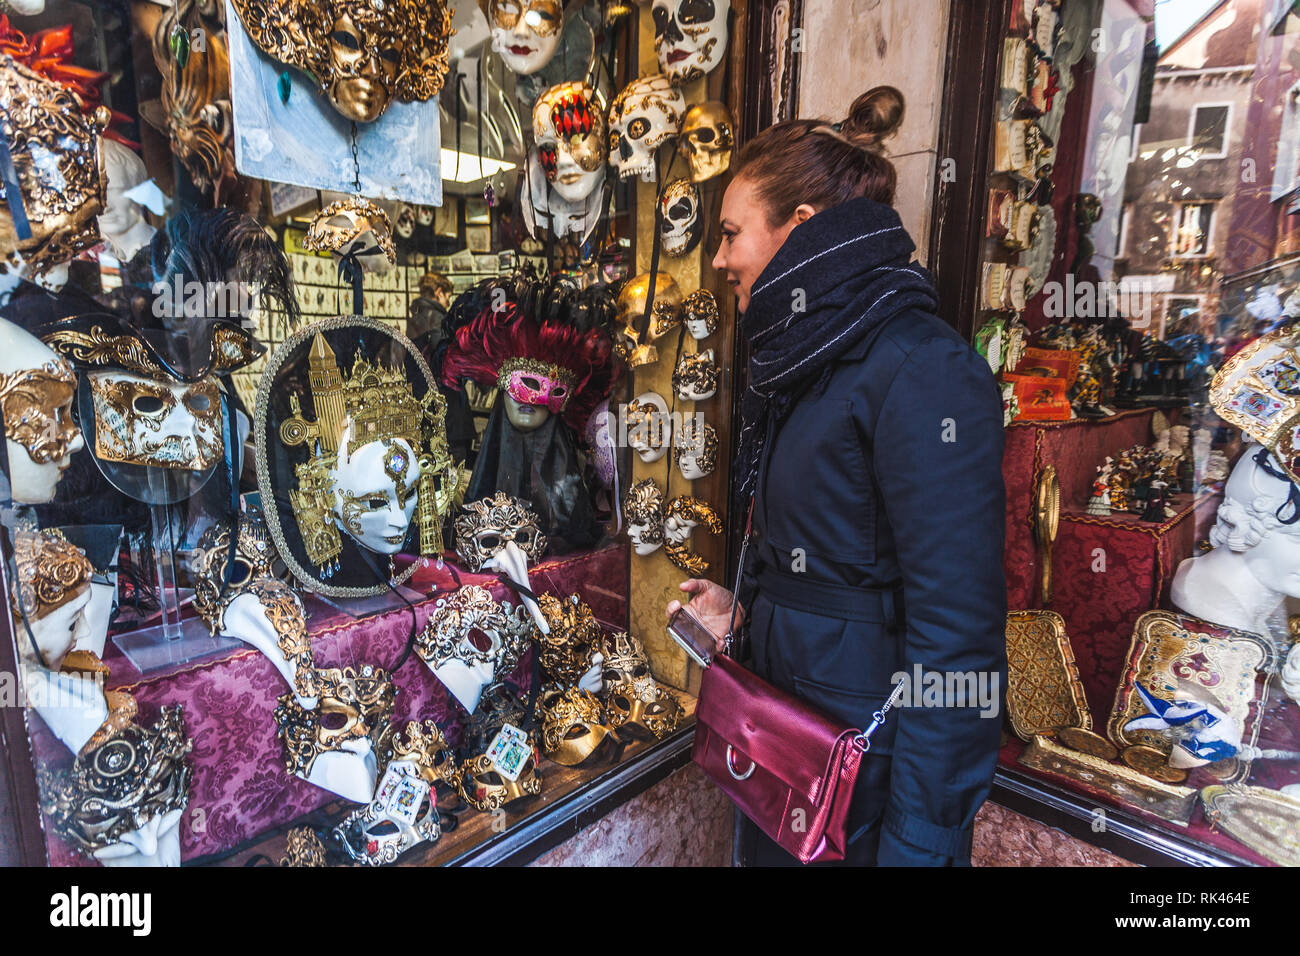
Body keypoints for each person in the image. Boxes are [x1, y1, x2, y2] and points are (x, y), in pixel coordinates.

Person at [666, 86, 1008, 866]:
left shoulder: (922, 370)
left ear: (802, 229)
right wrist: (752, 605)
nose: (717, 259)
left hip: (865, 793)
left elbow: (959, 646)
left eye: (730, 233)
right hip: (791, 763)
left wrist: (921, 843)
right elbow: (835, 564)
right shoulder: (807, 359)